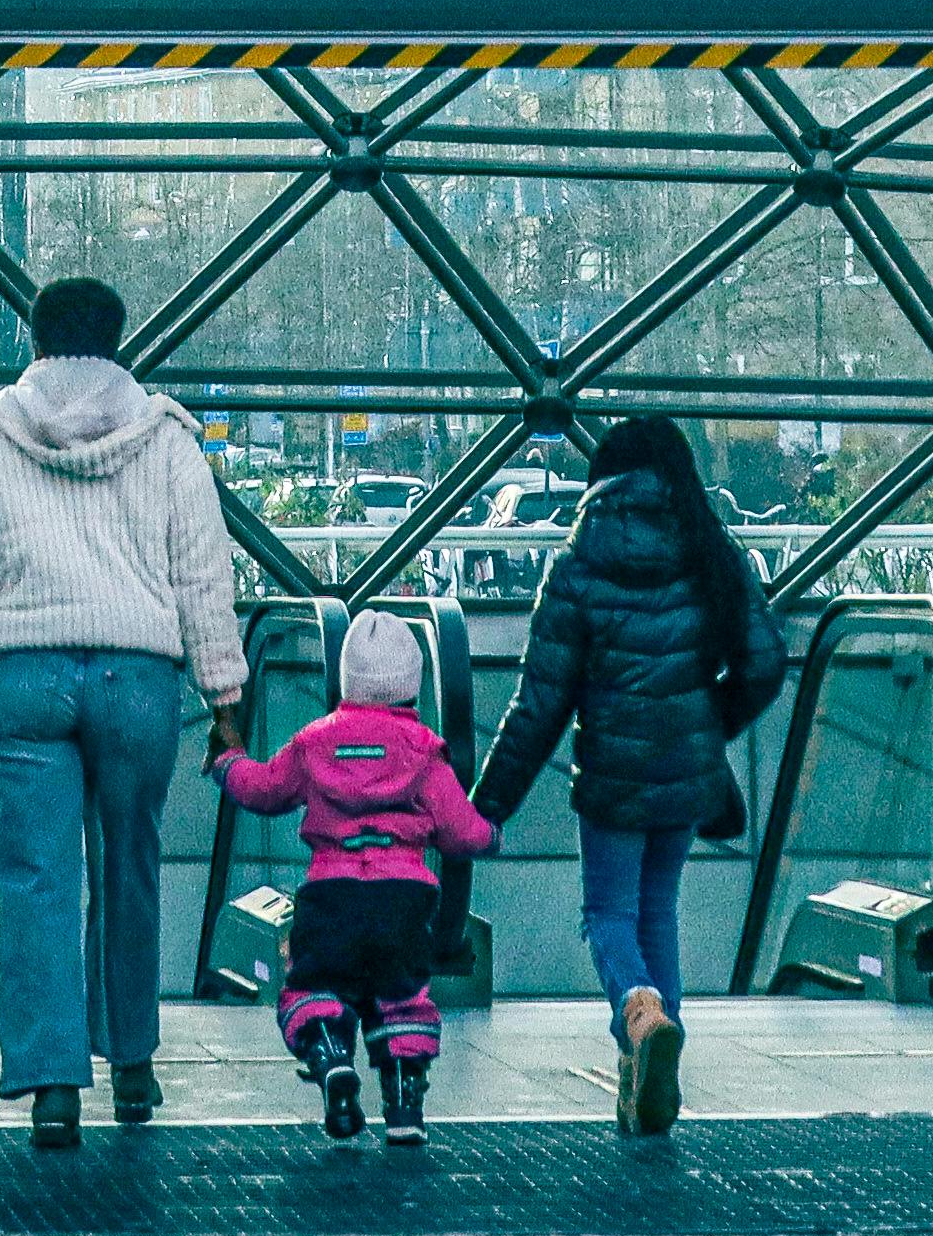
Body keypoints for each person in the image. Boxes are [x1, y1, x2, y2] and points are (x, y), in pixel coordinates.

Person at [0, 273, 248, 1147]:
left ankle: (54, 1086)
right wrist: (227, 703)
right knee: (130, 867)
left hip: (21, 677)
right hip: (140, 680)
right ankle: (132, 1066)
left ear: (34, 337)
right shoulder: (167, 440)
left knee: (37, 882)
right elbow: (204, 578)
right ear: (121, 337)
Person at [475, 410, 769, 1138]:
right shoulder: (711, 553)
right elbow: (764, 660)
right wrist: (706, 724)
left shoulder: (577, 566)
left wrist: (488, 806)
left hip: (610, 772)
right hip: (685, 774)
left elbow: (538, 704)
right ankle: (650, 1074)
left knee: (606, 913)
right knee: (656, 909)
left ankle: (640, 1019)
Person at [219, 607, 495, 1148]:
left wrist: (229, 762)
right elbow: (461, 830)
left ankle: (329, 1057)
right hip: (404, 899)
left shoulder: (314, 742)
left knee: (314, 987)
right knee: (403, 999)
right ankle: (403, 1106)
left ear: (348, 679)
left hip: (331, 895)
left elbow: (264, 790)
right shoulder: (423, 752)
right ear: (410, 686)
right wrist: (492, 834)